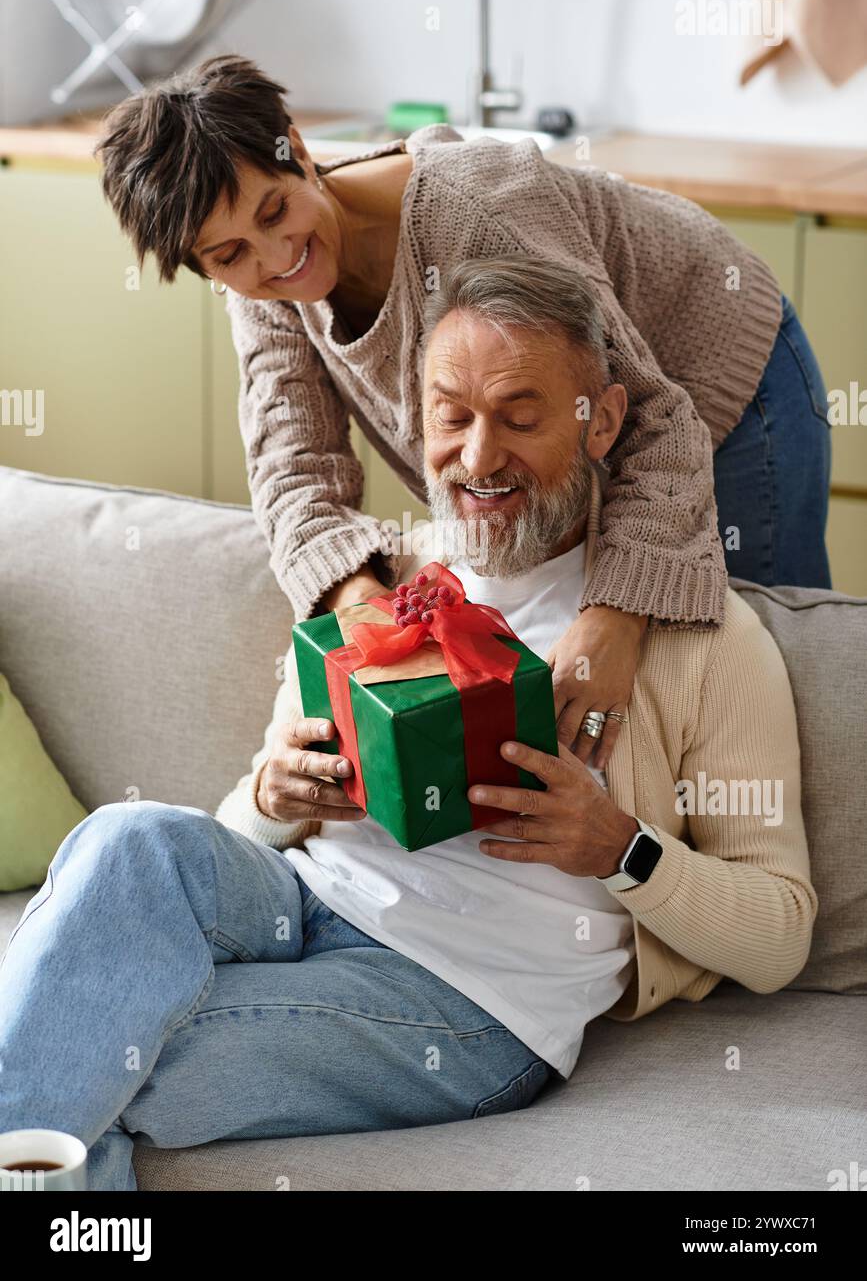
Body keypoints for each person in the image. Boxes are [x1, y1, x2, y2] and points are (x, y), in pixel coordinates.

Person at [0, 257, 817, 1192]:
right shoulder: (382, 584)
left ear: (603, 422)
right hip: (300, 901)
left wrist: (619, 850)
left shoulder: (697, 635)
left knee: (116, 1049)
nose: (476, 459)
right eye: (451, 416)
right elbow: (243, 831)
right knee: (124, 842)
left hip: (470, 1000)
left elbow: (780, 933)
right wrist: (271, 798)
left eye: (519, 416)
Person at [94, 55, 831, 771]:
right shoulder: (264, 293)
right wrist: (359, 602)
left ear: (300, 153)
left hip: (715, 381)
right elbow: (295, 474)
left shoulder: (474, 211)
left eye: (276, 209)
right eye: (229, 254)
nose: (276, 255)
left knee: (764, 665)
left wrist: (616, 614)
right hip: (566, 426)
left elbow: (651, 420)